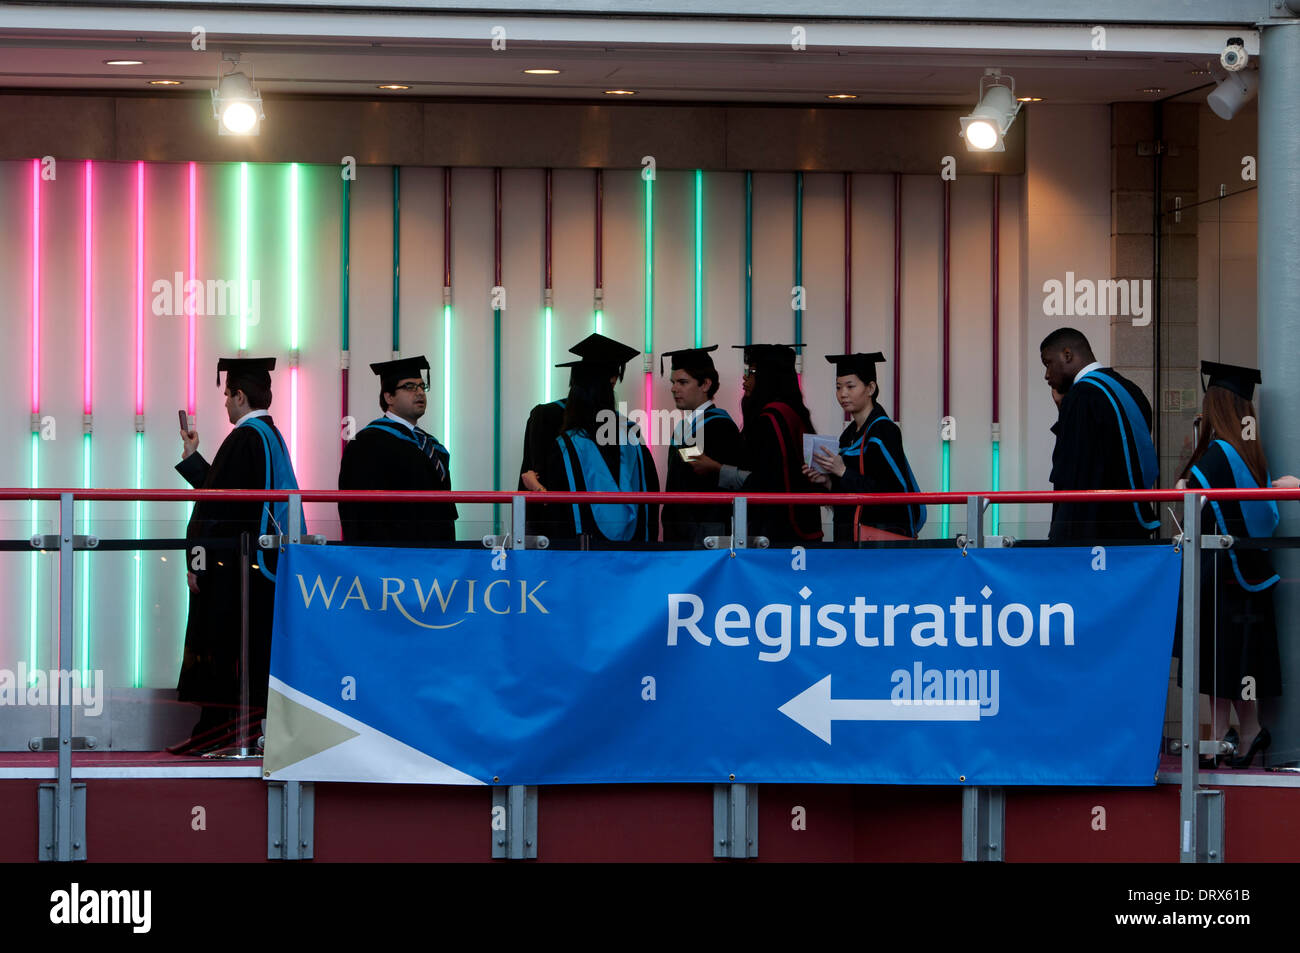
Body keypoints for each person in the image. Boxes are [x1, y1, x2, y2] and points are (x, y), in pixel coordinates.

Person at [172, 357, 301, 754]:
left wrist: (197, 562)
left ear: (240, 395)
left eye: (227, 396)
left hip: (233, 570)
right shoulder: (269, 436)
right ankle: (219, 733)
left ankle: (217, 736)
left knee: (223, 651)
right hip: (258, 567)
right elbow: (225, 493)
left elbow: (215, 510)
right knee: (245, 651)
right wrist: (193, 456)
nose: (225, 405)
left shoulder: (245, 437)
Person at [1175, 361, 1281, 769]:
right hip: (1248, 573)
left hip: (1219, 574)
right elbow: (1266, 515)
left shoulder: (1217, 455)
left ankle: (1223, 738)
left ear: (1215, 404)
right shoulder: (1251, 453)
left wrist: (1184, 487)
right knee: (1235, 661)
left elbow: (1191, 503)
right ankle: (1240, 733)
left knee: (1218, 661)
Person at [691, 344, 822, 545]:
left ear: (768, 377)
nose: (745, 378)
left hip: (776, 531)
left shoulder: (771, 419)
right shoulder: (793, 412)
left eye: (752, 372)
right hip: (801, 525)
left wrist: (716, 468)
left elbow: (764, 482)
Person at [1040, 327, 1159, 541]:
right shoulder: (1129, 389)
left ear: (1067, 355)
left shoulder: (1083, 396)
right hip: (1131, 522)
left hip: (1094, 529)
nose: (1047, 375)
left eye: (1048, 363)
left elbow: (1070, 470)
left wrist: (1058, 536)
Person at [544, 336, 660, 543]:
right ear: (610, 386)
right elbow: (651, 493)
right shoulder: (630, 437)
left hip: (583, 554)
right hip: (633, 556)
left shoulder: (566, 445)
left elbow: (557, 512)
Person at [803, 353, 925, 541]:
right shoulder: (847, 435)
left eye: (850, 386)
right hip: (850, 537)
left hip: (879, 543)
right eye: (838, 387)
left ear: (870, 388)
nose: (843, 394)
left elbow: (891, 492)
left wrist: (842, 471)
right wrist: (827, 481)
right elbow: (850, 490)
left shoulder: (884, 431)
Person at [519, 333, 631, 534]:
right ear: (611, 382)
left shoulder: (548, 416)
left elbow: (535, 475)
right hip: (613, 538)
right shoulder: (623, 428)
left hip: (563, 532)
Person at [338, 355, 457, 544]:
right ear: (389, 396)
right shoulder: (367, 443)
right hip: (392, 557)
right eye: (409, 387)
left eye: (421, 386)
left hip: (436, 556)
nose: (419, 393)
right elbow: (357, 512)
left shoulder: (433, 446)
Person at [659, 345, 743, 545]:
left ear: (705, 384)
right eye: (673, 382)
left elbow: (724, 487)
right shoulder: (683, 428)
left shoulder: (720, 426)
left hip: (706, 536)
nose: (673, 388)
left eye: (682, 382)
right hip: (679, 534)